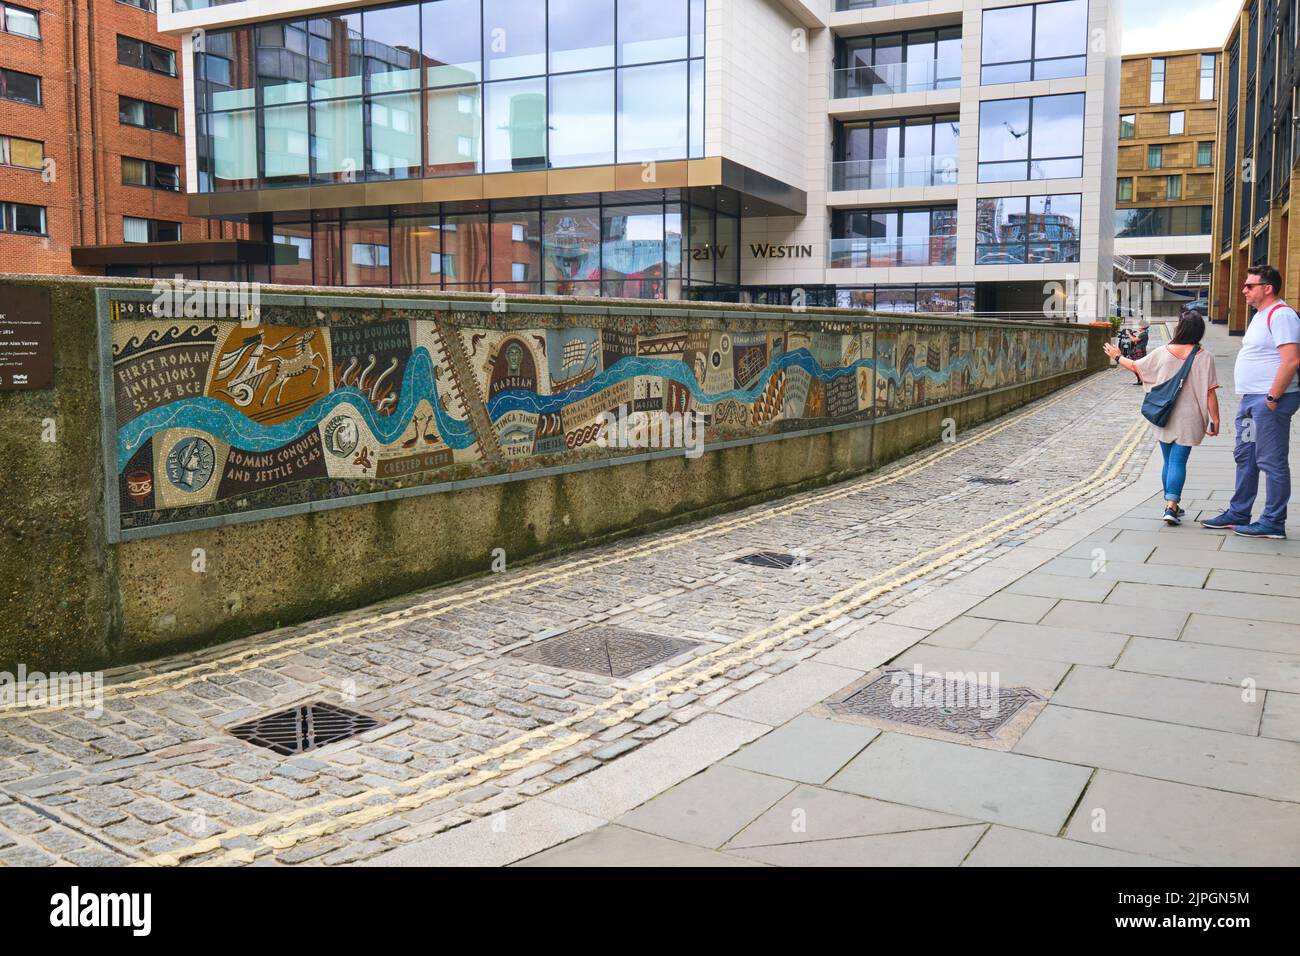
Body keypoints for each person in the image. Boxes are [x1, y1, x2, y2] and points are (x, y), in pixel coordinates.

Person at [1201, 264, 1300, 538]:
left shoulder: (1282, 316)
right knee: (1246, 456)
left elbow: (1291, 359)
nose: (1244, 290)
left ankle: (1272, 522)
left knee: (1271, 460)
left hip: (1269, 402)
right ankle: (1239, 512)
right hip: (1250, 401)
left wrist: (1272, 397)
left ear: (1267, 288)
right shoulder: (1260, 315)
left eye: (1249, 285)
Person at [1104, 314, 1220, 525]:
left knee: (1169, 461)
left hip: (1163, 414)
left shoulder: (1163, 352)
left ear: (1180, 329)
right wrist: (1216, 419)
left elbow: (1137, 367)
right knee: (1178, 461)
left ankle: (1170, 503)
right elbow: (1210, 393)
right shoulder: (1205, 357)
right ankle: (1171, 506)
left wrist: (1117, 356)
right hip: (1190, 417)